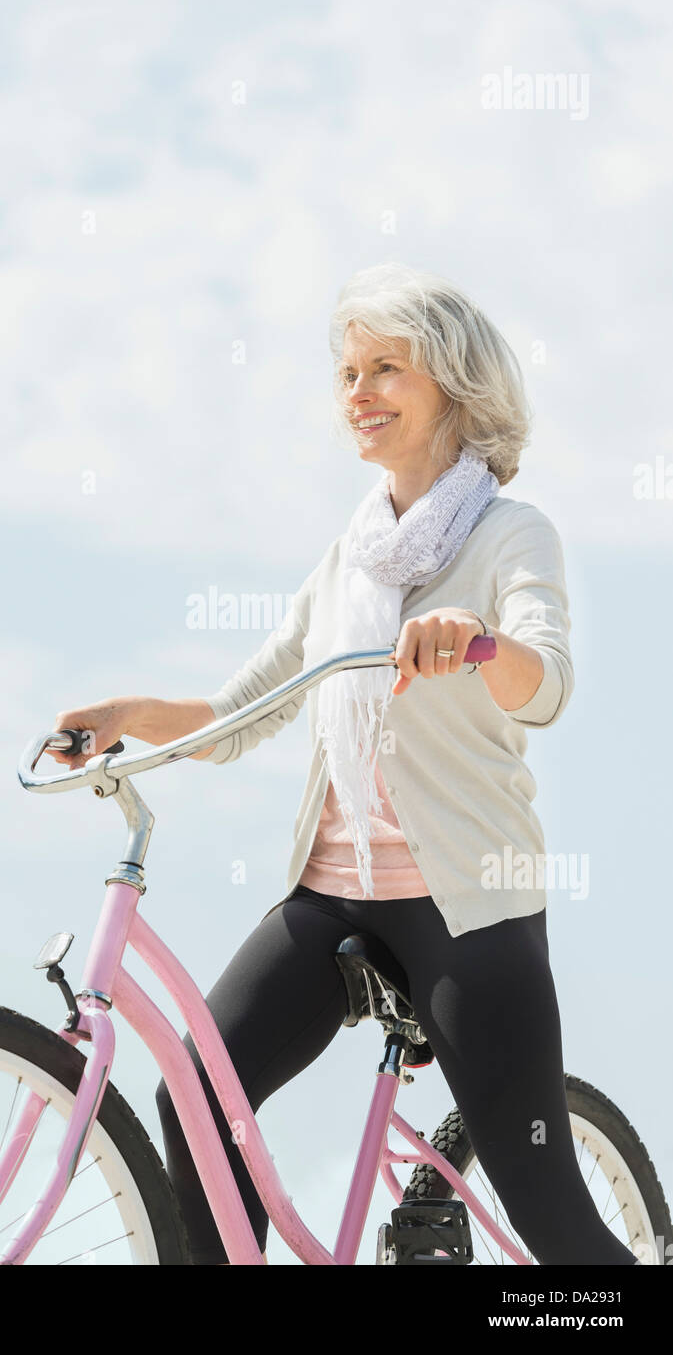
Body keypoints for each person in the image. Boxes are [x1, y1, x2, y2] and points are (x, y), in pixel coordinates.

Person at [50, 263, 639, 1266]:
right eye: (346, 373)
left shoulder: (508, 536)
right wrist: (122, 715)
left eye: (384, 369)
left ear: (450, 385)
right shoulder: (350, 558)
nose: (355, 392)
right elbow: (241, 710)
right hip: (332, 896)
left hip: (468, 907)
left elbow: (547, 682)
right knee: (193, 1098)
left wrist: (481, 642)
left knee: (548, 1211)